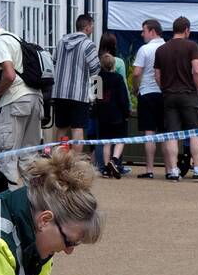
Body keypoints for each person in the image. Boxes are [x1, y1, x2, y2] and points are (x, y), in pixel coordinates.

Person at [0, 15, 45, 190]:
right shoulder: (16, 39)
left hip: (15, 102)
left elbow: (10, 75)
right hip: (35, 99)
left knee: (8, 159)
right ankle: (35, 204)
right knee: (30, 158)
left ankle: (8, 208)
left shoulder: (0, 42)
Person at [154, 15, 198, 181]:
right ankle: (197, 169)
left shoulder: (161, 49)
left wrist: (165, 89)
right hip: (188, 94)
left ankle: (174, 170)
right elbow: (196, 70)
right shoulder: (192, 46)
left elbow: (157, 75)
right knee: (195, 132)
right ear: (187, 30)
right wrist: (197, 89)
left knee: (171, 134)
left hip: (169, 95)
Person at [52, 14, 100, 148]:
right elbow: (95, 68)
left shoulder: (61, 42)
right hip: (78, 93)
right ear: (87, 27)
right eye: (92, 26)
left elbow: (53, 62)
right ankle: (75, 164)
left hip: (59, 91)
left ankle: (59, 161)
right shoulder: (88, 44)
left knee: (61, 127)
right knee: (77, 129)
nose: (92, 29)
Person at [131, 18, 165, 178]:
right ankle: (170, 169)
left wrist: (135, 88)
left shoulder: (144, 49)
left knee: (149, 132)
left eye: (144, 30)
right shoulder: (167, 47)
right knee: (167, 133)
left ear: (152, 31)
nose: (141, 33)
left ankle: (149, 169)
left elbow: (137, 73)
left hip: (147, 93)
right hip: (165, 93)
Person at [96, 32, 131, 174]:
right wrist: (126, 111)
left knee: (106, 142)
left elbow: (97, 97)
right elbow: (123, 98)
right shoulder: (118, 79)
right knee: (120, 139)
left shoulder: (98, 78)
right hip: (117, 116)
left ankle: (105, 167)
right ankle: (115, 160)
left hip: (103, 116)